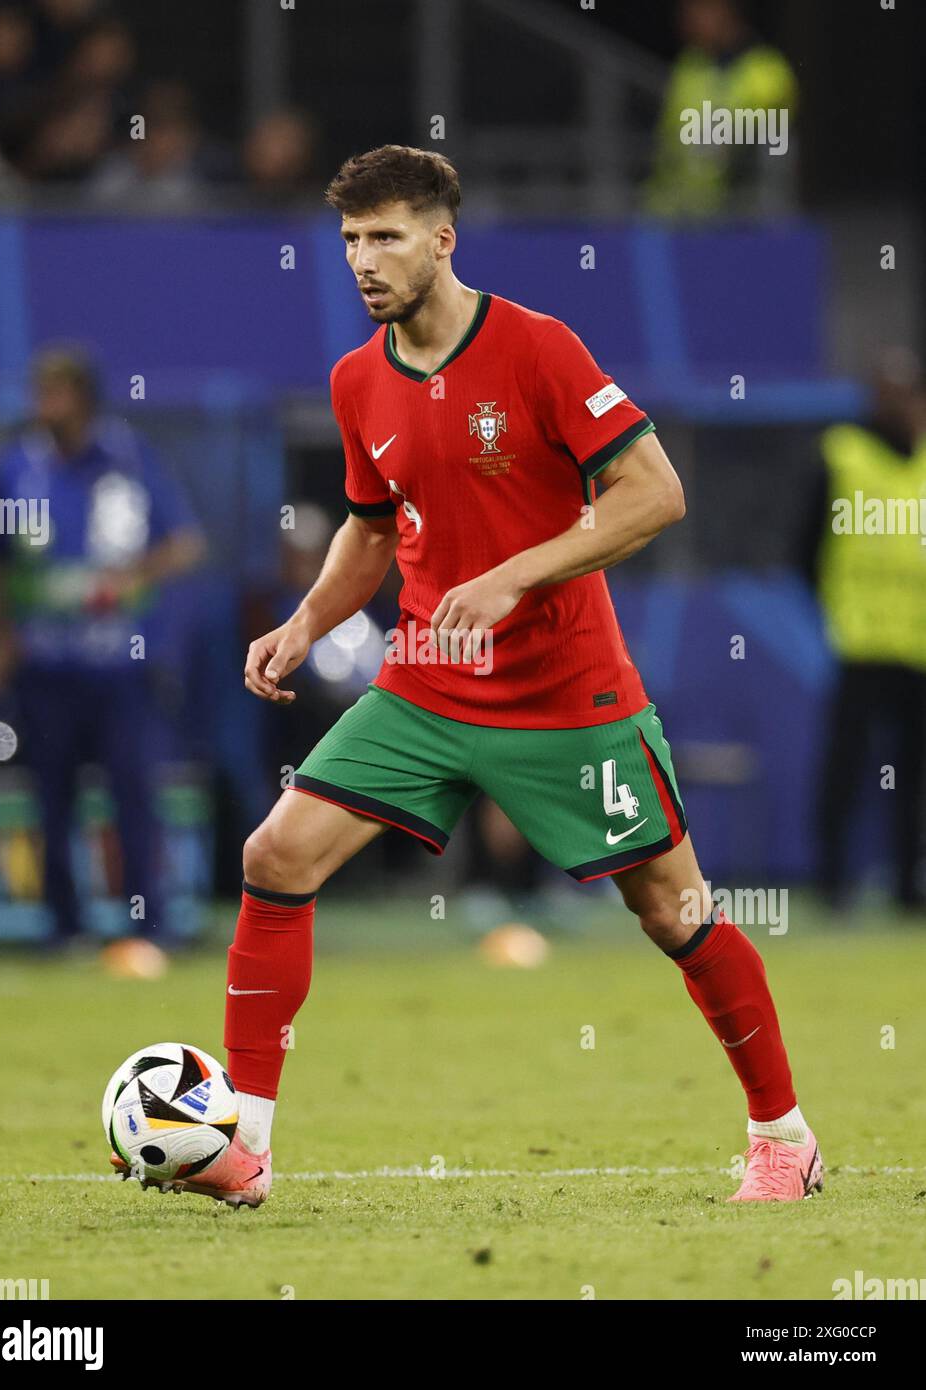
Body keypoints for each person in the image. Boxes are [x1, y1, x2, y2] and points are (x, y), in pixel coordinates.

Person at [120, 146, 822, 1206]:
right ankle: (244, 1143)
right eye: (352, 238)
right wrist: (305, 624)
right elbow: (369, 529)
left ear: (442, 240)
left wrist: (510, 575)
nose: (365, 258)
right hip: (425, 685)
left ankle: (783, 1135)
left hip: (565, 694)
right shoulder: (356, 379)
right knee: (277, 854)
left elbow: (654, 493)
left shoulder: (538, 349)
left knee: (675, 913)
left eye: (388, 235)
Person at [0, 346, 205, 954]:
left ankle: (147, 927)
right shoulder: (14, 468)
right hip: (46, 663)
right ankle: (62, 925)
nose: (41, 406)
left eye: (53, 393)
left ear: (81, 398)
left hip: (123, 663)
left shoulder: (130, 458)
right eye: (38, 392)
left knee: (135, 792)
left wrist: (132, 578)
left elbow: (185, 543)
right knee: (51, 799)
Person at [801, 353, 926, 912]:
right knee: (846, 769)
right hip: (859, 643)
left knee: (914, 779)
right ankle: (832, 884)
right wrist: (837, 605)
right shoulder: (843, 455)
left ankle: (907, 885)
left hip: (918, 648)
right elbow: (804, 548)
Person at [644, 0, 798, 219]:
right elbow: (667, 149)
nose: (687, 20)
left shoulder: (768, 72)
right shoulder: (688, 67)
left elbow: (768, 140)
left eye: (698, 8)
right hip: (680, 219)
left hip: (743, 219)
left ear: (725, 9)